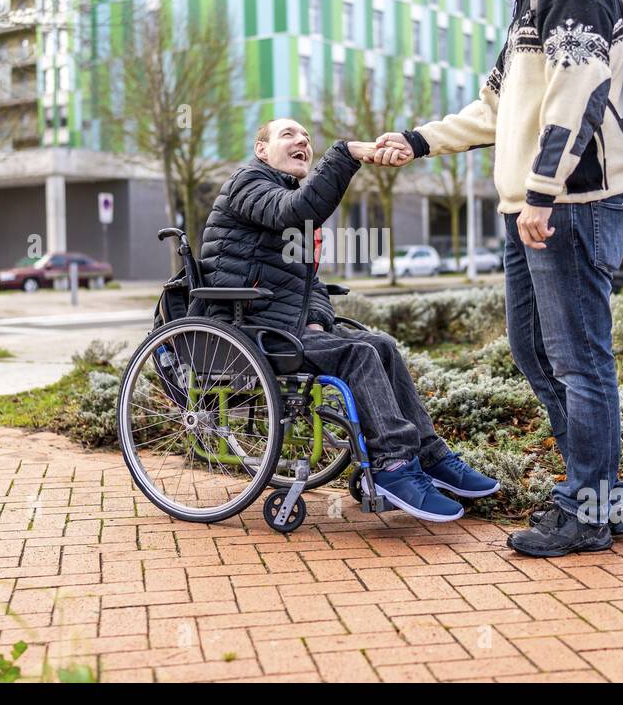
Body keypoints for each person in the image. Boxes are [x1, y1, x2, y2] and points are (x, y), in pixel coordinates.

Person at [372, 0, 623, 556]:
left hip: (571, 206)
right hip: (534, 209)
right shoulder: (531, 5)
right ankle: (600, 490)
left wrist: (543, 191)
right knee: (534, 350)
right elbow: (494, 110)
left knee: (580, 361)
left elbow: (579, 90)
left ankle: (589, 510)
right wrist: (418, 139)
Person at [198, 117, 499, 523]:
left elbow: (310, 283)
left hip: (283, 327)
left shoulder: (285, 202)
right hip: (247, 331)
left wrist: (319, 320)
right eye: (288, 134)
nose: (302, 139)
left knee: (382, 345)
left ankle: (429, 455)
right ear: (262, 150)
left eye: (307, 136)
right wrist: (347, 153)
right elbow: (297, 209)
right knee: (358, 354)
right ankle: (393, 465)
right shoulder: (248, 184)